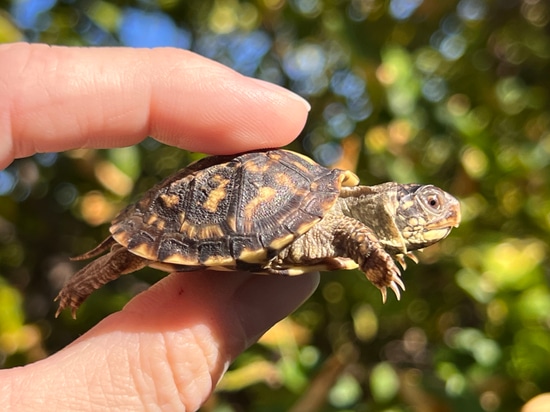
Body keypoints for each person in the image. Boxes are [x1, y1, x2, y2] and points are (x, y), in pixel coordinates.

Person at [0, 43, 318, 411]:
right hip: (198, 217)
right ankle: (80, 283)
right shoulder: (331, 213)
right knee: (127, 256)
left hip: (258, 210)